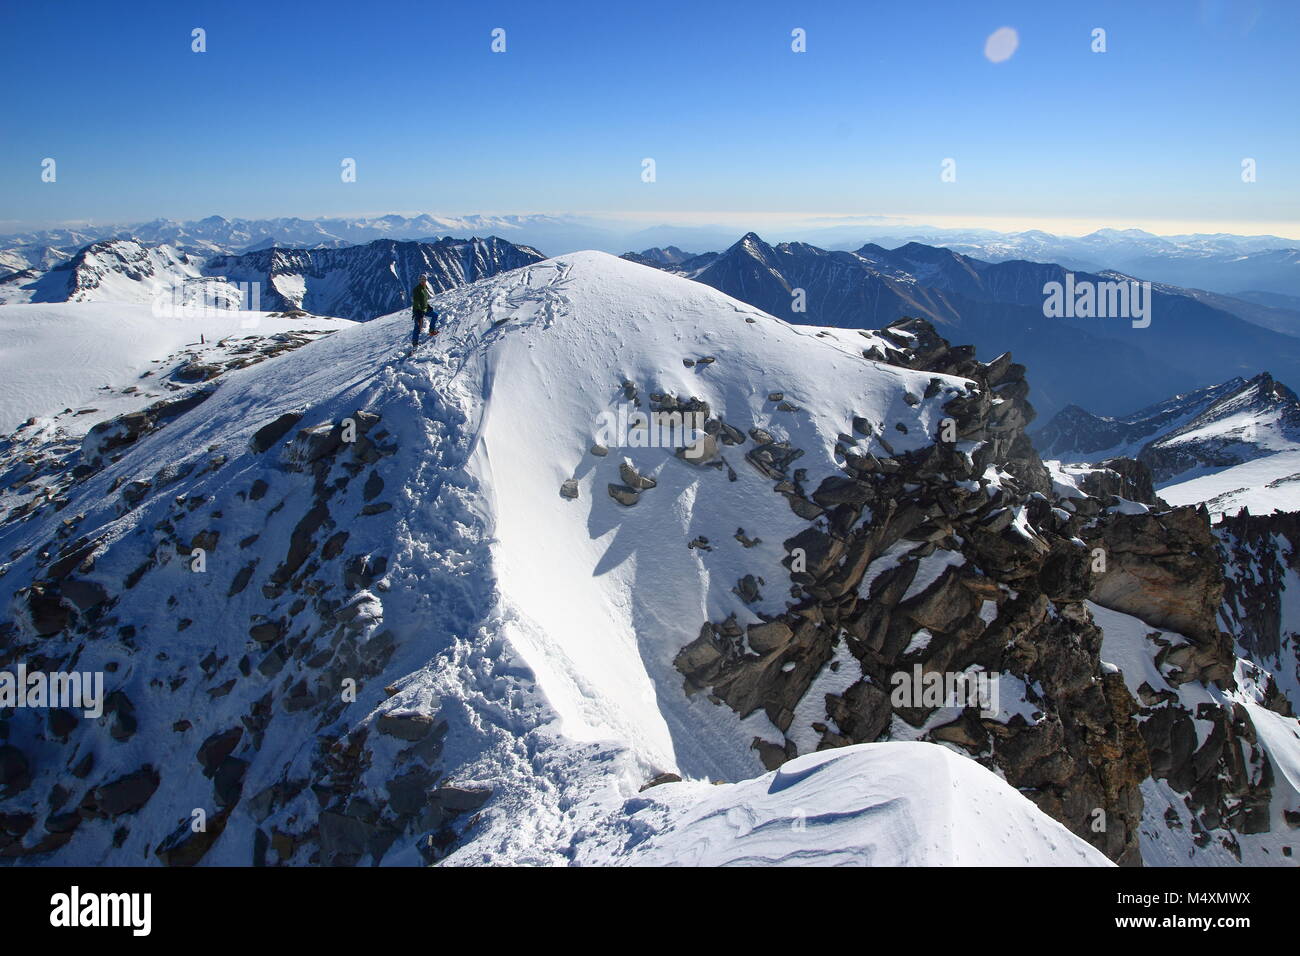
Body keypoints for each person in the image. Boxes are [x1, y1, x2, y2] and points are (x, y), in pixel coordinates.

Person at [411, 274, 438, 348]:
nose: (423, 281)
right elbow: (416, 301)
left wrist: (428, 306)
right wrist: (419, 311)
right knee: (418, 326)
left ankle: (431, 330)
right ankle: (415, 342)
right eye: (421, 280)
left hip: (424, 309)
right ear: (419, 281)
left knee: (435, 315)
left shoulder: (424, 289)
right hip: (418, 311)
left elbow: (424, 300)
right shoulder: (417, 289)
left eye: (424, 280)